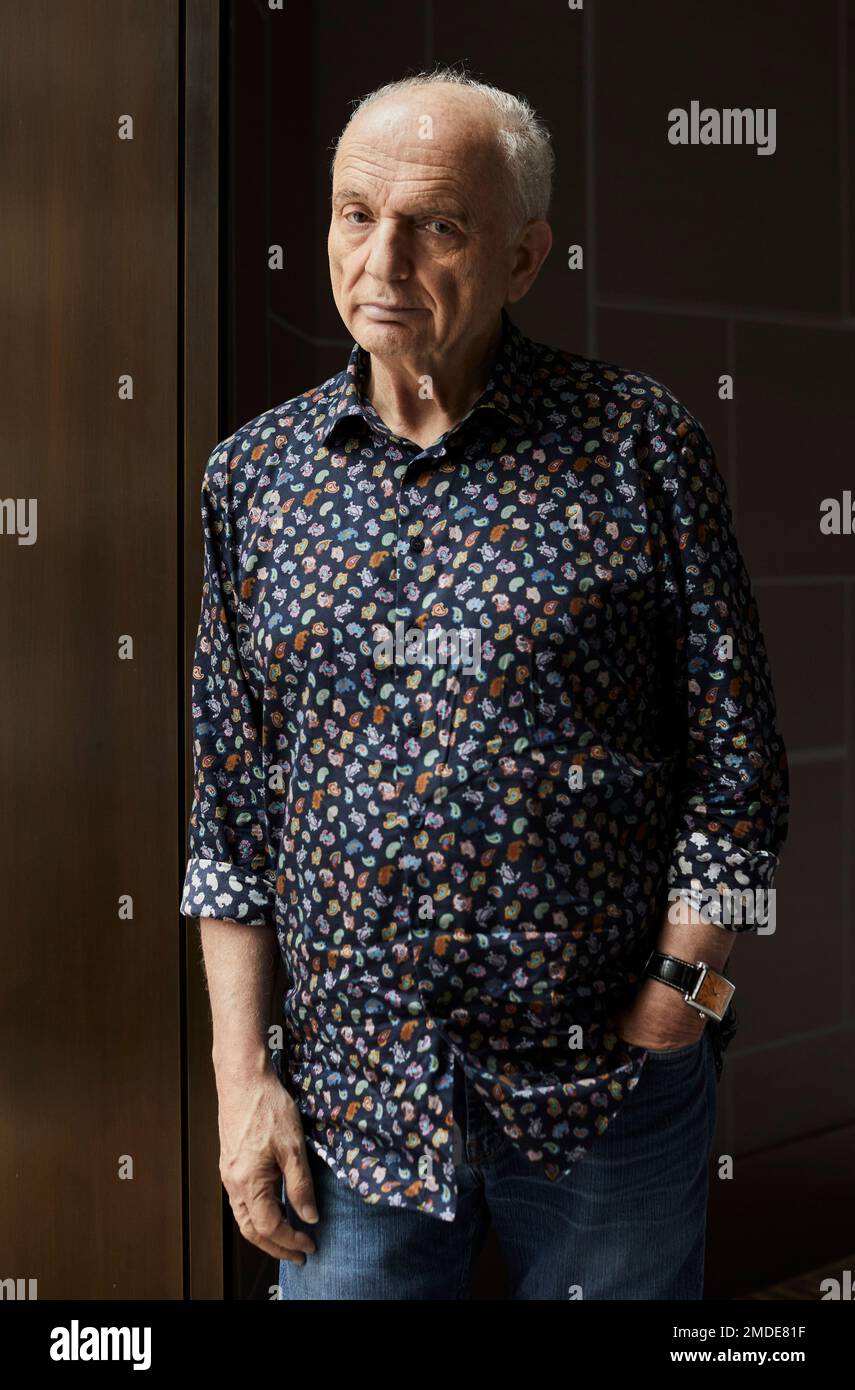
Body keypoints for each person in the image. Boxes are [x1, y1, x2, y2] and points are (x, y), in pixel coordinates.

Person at [180, 67, 789, 1300]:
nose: (383, 259)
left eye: (437, 225)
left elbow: (740, 765)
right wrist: (244, 1082)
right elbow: (230, 814)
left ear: (521, 258)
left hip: (606, 1093)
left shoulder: (638, 442)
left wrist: (681, 1002)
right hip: (354, 1103)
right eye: (357, 214)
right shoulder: (254, 479)